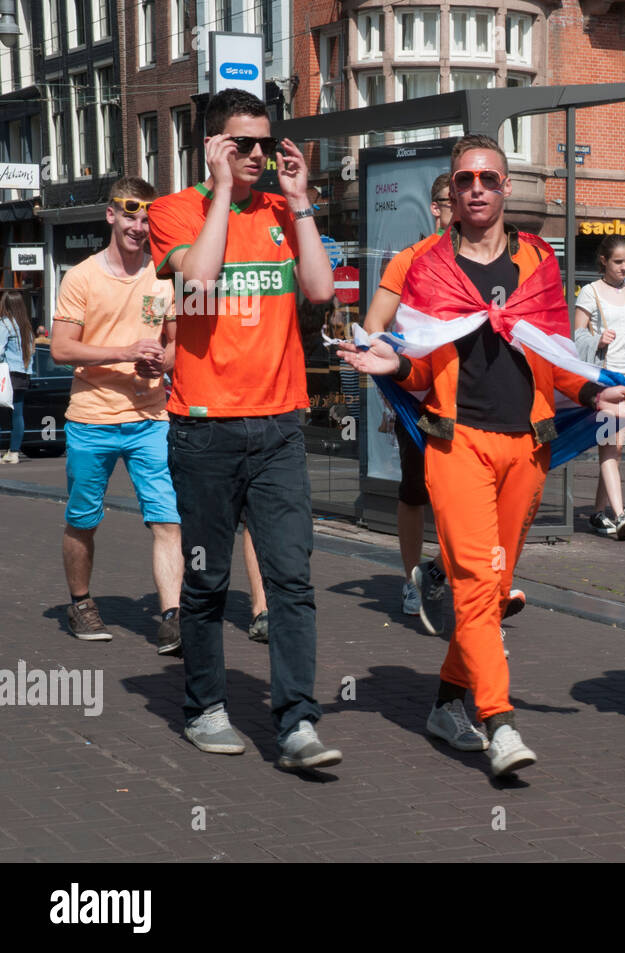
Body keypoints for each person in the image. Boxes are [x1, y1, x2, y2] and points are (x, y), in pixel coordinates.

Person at [339, 134, 625, 778]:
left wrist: (591, 388)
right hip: (455, 443)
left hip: (527, 446)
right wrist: (393, 363)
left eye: (488, 178)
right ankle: (498, 722)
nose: (476, 187)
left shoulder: (538, 265)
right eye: (465, 178)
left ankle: (446, 702)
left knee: (492, 592)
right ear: (452, 189)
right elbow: (417, 362)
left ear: (505, 188)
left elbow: (556, 360)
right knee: (473, 582)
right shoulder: (428, 266)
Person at [148, 89, 342, 770]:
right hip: (204, 432)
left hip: (280, 427)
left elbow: (319, 290)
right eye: (242, 143)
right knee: (207, 581)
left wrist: (303, 204)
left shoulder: (285, 213)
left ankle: (296, 723)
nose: (258, 154)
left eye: (264, 142)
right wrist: (223, 192)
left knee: (291, 578)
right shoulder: (174, 211)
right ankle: (205, 707)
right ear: (212, 146)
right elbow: (199, 279)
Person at [48, 177, 183, 654]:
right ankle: (81, 602)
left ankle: (171, 616)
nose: (139, 227)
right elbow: (61, 348)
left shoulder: (164, 275)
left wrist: (160, 361)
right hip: (92, 418)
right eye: (130, 215)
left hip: (150, 416)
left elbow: (174, 346)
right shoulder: (81, 276)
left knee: (168, 519)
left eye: (147, 219)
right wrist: (125, 350)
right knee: (83, 518)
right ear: (111, 215)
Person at [363, 173, 455, 617]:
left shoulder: (497, 256)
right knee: (416, 492)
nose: (460, 206)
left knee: (475, 499)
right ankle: (411, 580)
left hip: (476, 400)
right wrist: (391, 377)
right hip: (420, 398)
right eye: (448, 200)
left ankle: (440, 570)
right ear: (435, 208)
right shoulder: (410, 259)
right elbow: (373, 326)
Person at [574, 234, 625, 540]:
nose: (624, 267)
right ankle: (620, 516)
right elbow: (576, 336)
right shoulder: (590, 292)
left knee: (615, 448)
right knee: (613, 447)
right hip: (606, 379)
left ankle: (597, 513)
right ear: (604, 261)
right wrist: (598, 340)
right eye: (618, 262)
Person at [0, 291, 34, 464]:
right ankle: (13, 452)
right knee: (17, 414)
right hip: (23, 374)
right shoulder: (25, 326)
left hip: (7, 374)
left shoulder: (5, 324)